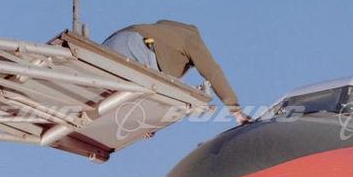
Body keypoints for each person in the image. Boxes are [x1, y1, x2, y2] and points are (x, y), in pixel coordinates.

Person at [102, 20, 249, 124]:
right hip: (135, 46)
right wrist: (236, 110)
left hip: (111, 42)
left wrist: (147, 125)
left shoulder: (168, 34)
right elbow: (212, 71)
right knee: (155, 88)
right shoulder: (192, 39)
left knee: (117, 95)